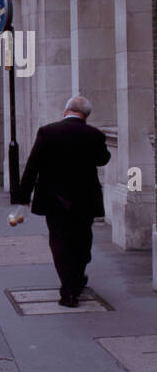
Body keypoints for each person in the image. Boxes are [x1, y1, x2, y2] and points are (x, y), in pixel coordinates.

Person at [18, 94, 111, 308]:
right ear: (86, 116)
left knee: (59, 242)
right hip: (84, 201)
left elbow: (32, 166)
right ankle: (76, 279)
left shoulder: (47, 132)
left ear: (65, 111)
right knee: (82, 242)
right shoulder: (94, 135)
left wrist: (23, 198)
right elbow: (103, 159)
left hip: (55, 200)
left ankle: (68, 290)